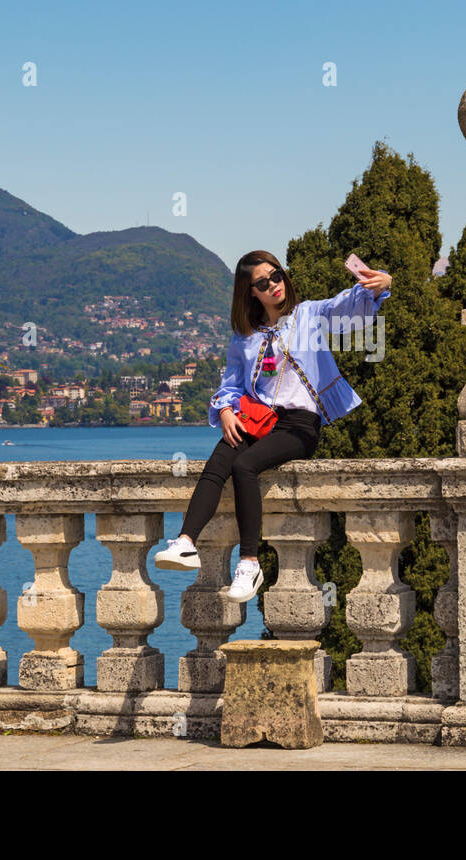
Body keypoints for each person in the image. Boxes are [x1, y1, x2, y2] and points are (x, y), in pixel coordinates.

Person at [154, 249, 392, 602]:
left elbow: (346, 309)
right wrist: (224, 411)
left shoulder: (309, 314)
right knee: (219, 460)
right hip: (259, 418)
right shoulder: (246, 336)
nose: (274, 285)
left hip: (300, 424)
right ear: (251, 292)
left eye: (276, 275)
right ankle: (186, 542)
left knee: (244, 465)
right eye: (263, 283)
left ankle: (249, 563)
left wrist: (377, 285)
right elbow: (230, 385)